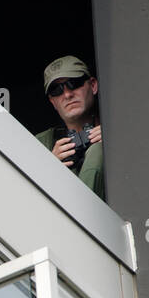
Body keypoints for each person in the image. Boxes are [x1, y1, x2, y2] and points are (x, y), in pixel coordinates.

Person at [35, 55, 104, 200]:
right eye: (56, 90)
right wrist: (48, 168)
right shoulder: (40, 144)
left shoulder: (120, 125)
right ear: (52, 102)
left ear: (93, 85)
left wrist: (117, 141)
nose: (67, 94)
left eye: (74, 83)